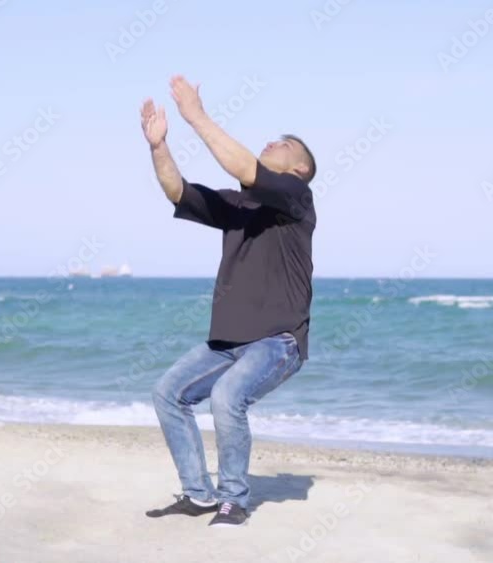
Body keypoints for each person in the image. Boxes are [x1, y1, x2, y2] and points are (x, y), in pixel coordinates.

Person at [140, 76, 317, 527]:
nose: (271, 143)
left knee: (226, 397)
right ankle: (199, 494)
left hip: (278, 341)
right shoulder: (239, 205)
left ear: (298, 169)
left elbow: (244, 168)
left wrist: (195, 114)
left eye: (283, 144)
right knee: (168, 393)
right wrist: (159, 146)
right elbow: (177, 191)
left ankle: (234, 500)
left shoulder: (297, 197)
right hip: (228, 341)